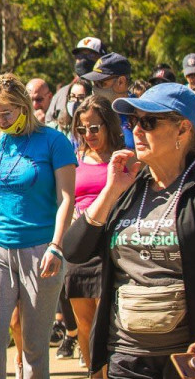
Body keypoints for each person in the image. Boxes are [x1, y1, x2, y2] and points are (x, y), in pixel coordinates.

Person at [62, 83, 195, 379]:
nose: (136, 130)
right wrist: (110, 191)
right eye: (134, 121)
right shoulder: (128, 189)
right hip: (126, 355)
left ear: (183, 129)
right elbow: (74, 250)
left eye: (148, 122)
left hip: (188, 358)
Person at [0, 74, 76, 379]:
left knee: (35, 344)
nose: (1, 120)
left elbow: (67, 199)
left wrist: (57, 246)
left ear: (23, 107)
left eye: (7, 112)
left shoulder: (53, 141)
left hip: (41, 252)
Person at [63, 96, 125, 371]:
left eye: (95, 128)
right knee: (84, 324)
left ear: (109, 126)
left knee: (106, 323)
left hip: (110, 248)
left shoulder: (122, 159)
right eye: (82, 129)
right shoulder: (74, 159)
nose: (88, 135)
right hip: (79, 248)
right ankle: (93, 375)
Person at [45, 37, 105, 124]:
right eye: (79, 56)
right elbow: (49, 124)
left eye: (90, 56)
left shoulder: (108, 92)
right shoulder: (61, 94)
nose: (83, 60)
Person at [82, 52, 135, 149]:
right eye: (94, 83)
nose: (95, 89)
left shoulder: (140, 113)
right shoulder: (90, 114)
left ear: (121, 82)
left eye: (101, 83)